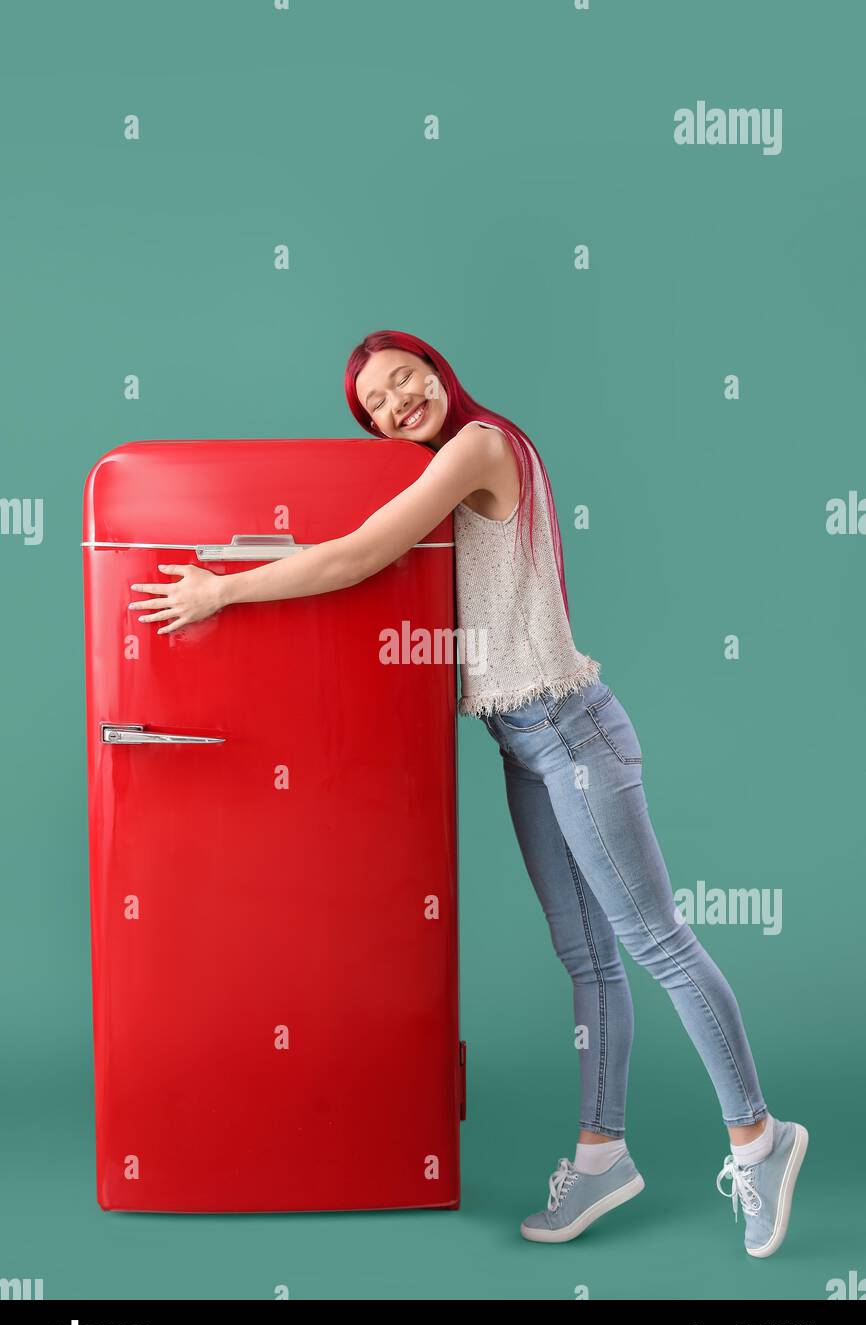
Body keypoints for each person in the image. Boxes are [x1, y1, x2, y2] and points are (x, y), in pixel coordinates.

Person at [128, 328, 808, 1255]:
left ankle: (760, 1137)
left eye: (405, 380)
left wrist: (223, 592)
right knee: (588, 959)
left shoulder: (481, 447)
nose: (398, 403)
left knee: (656, 941)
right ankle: (603, 1156)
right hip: (522, 742)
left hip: (572, 730)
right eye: (377, 406)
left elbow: (359, 553)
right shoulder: (440, 468)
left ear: (438, 371)